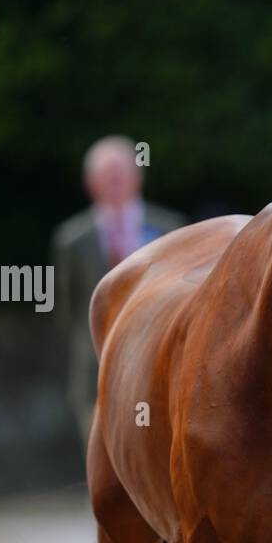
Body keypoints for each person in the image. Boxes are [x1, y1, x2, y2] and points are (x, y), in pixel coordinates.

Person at [52, 136, 185, 445]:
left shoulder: (171, 227)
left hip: (159, 367)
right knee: (102, 466)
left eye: (120, 173)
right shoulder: (72, 239)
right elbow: (68, 308)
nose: (114, 181)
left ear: (137, 177)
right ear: (91, 183)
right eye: (106, 175)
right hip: (95, 373)